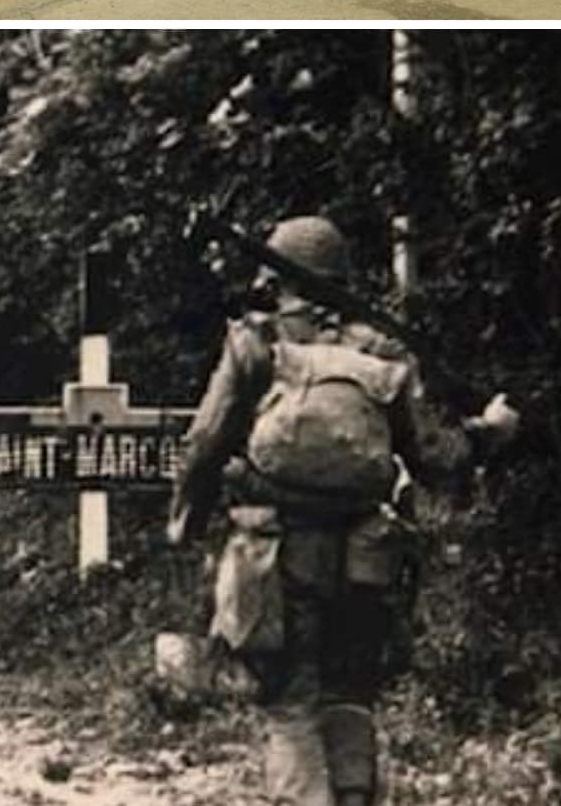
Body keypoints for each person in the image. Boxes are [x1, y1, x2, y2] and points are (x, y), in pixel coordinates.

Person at [167, 215, 520, 806]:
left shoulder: (257, 343)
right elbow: (437, 455)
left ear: (274, 278)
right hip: (368, 554)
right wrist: (491, 431)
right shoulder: (382, 350)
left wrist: (186, 521)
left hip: (276, 553)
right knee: (350, 695)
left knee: (290, 704)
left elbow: (204, 446)